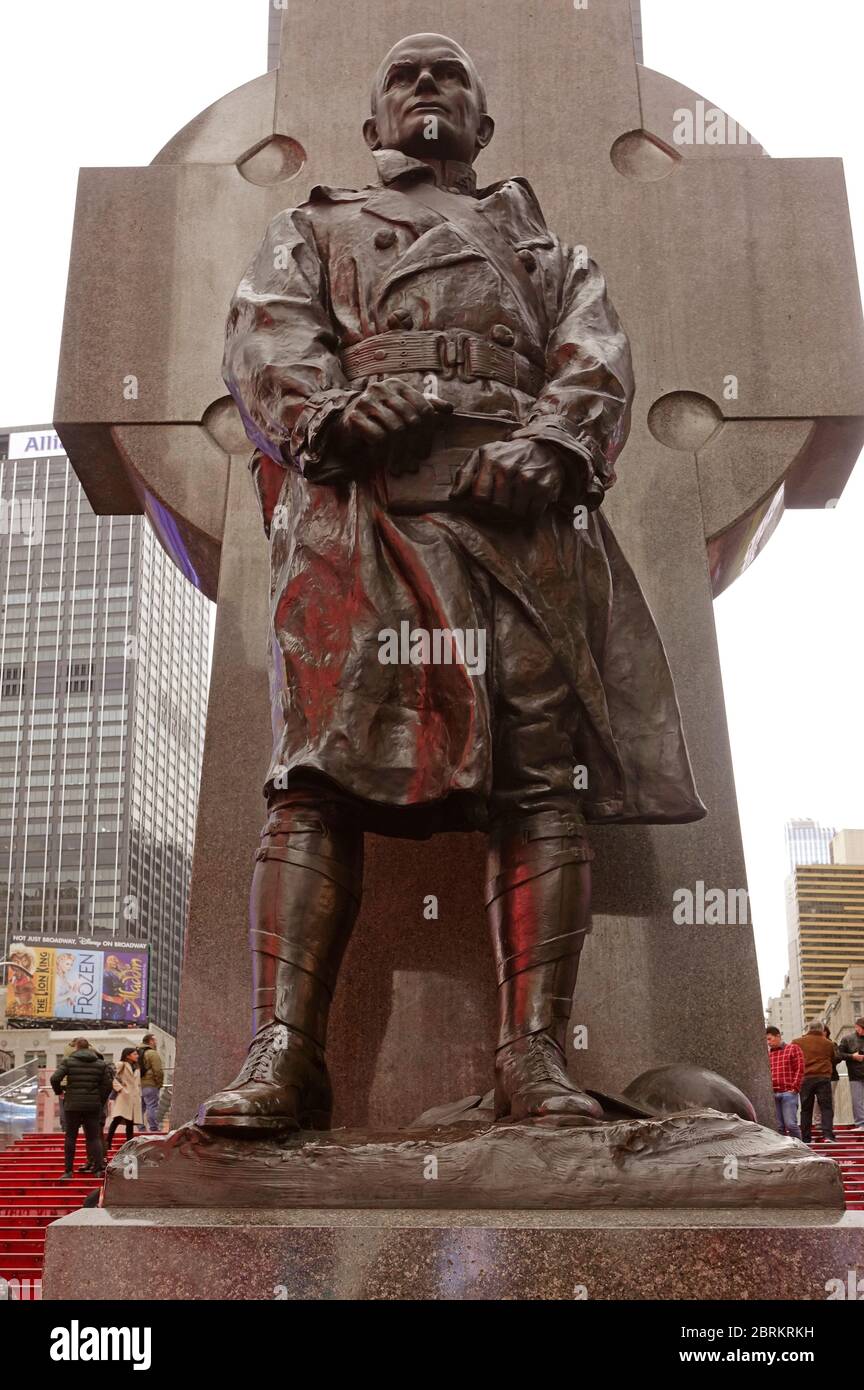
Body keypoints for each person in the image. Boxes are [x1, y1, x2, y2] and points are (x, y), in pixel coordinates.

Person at [198, 31, 706, 1135]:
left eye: (451, 77)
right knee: (318, 773)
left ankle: (534, 1055)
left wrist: (560, 444)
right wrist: (327, 412)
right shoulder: (316, 229)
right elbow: (266, 335)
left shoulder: (552, 253)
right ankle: (285, 1053)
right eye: (403, 77)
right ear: (376, 126)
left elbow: (597, 357)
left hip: (516, 523)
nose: (427, 87)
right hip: (364, 522)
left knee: (541, 779)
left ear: (482, 124)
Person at [50, 1037, 113, 1178]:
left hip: (72, 1105)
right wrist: (99, 1099)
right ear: (89, 1048)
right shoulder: (100, 1064)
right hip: (92, 1105)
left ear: (77, 1047)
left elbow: (54, 1078)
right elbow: (108, 1085)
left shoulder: (68, 1062)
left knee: (71, 1137)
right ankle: (97, 1170)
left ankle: (68, 1171)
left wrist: (59, 1092)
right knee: (93, 1138)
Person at [792, 1020, 840, 1144]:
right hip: (823, 1078)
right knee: (826, 1108)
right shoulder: (828, 1043)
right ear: (821, 1029)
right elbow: (834, 1058)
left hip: (805, 1078)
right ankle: (828, 1136)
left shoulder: (797, 1042)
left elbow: (793, 1060)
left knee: (806, 1109)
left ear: (808, 1028)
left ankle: (806, 1138)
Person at [766, 1026, 804, 1139]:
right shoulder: (768, 1055)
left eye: (769, 1039)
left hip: (788, 1092)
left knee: (791, 1124)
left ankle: (801, 1149)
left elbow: (800, 1068)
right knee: (779, 1127)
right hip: (774, 1093)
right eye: (766, 1040)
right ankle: (785, 1152)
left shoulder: (793, 1048)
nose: (768, 1042)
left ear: (778, 1036)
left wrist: (794, 1087)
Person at [105, 1047, 141, 1146]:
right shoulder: (121, 1064)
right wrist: (120, 1089)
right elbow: (111, 1077)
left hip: (134, 1097)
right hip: (123, 1096)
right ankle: (108, 1141)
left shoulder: (137, 1067)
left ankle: (129, 1143)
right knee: (117, 1119)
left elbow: (137, 1083)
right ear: (127, 1055)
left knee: (130, 1122)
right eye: (134, 1054)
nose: (137, 1056)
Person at [838, 1017, 864, 1130]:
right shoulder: (847, 1039)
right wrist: (852, 1056)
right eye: (862, 1028)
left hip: (856, 1073)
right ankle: (861, 1124)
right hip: (855, 1075)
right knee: (857, 1101)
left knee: (858, 1100)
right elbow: (838, 1054)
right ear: (856, 1027)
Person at [138, 1034, 163, 1132]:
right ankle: (153, 1127)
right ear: (151, 1041)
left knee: (141, 1107)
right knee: (152, 1106)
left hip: (138, 1084)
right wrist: (159, 1084)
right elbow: (158, 1070)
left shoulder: (136, 1052)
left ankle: (140, 1128)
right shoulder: (152, 1053)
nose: (156, 1042)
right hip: (150, 1083)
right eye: (155, 1040)